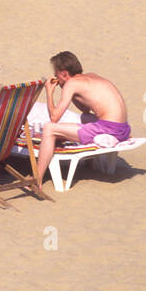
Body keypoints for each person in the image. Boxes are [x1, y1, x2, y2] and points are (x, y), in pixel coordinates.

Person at [32, 52, 128, 190]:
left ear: (64, 74)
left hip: (109, 129)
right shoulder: (91, 76)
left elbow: (54, 118)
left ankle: (37, 179)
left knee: (49, 129)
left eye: (56, 73)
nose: (55, 77)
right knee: (83, 119)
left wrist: (49, 92)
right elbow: (85, 110)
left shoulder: (72, 83)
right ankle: (90, 162)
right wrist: (66, 89)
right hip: (123, 128)